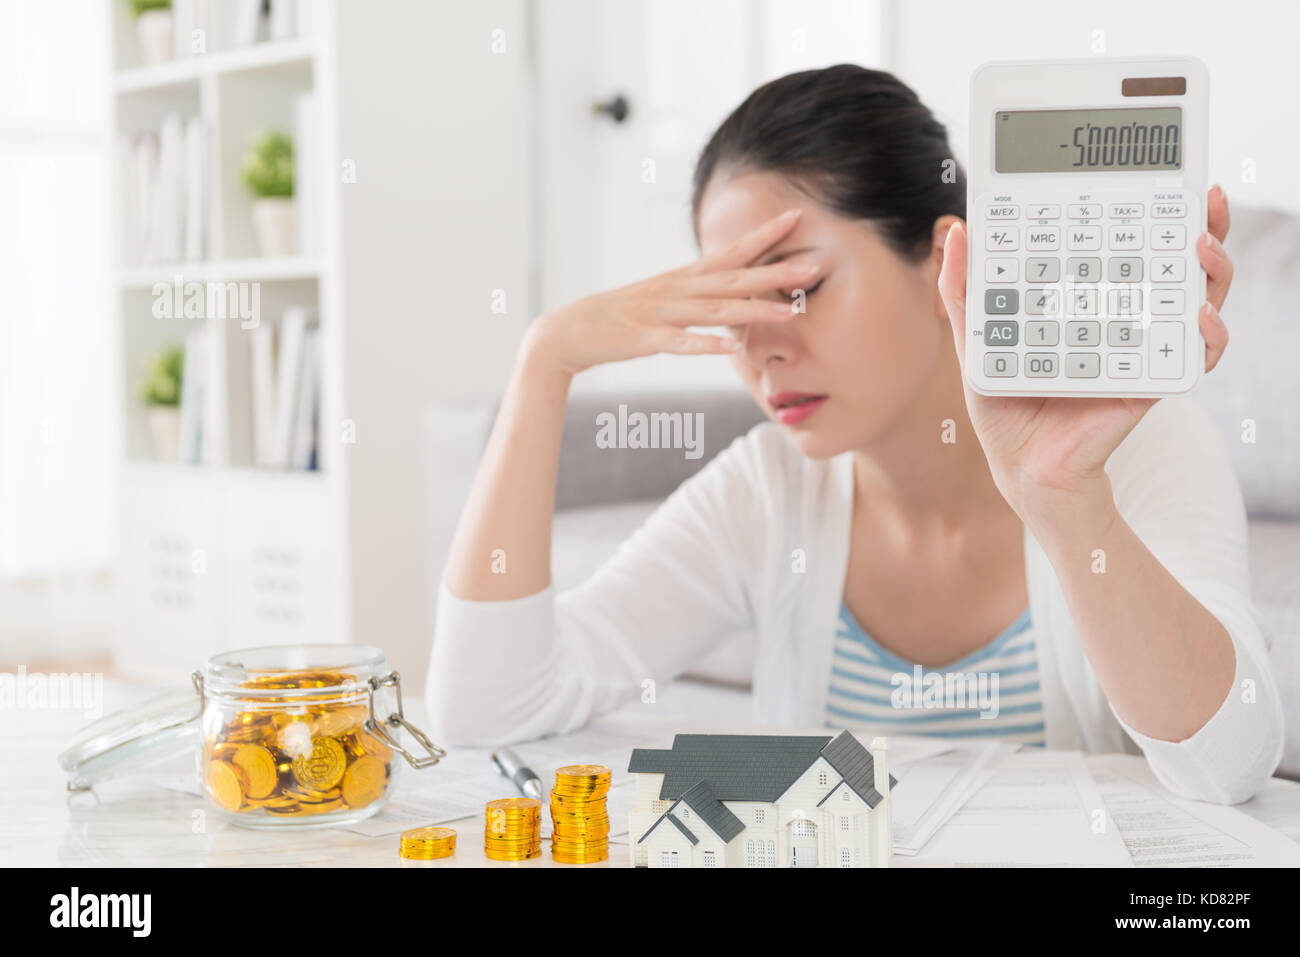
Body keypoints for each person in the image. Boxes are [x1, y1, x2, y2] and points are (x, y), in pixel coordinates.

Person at [427, 64, 1282, 804]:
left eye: (796, 288)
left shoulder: (1143, 450)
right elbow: (486, 708)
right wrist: (547, 360)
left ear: (944, 260)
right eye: (735, 306)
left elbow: (1231, 763)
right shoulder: (769, 490)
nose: (762, 347)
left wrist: (1064, 499)